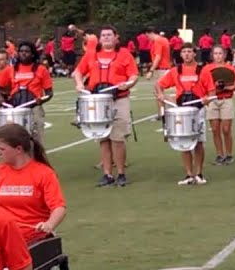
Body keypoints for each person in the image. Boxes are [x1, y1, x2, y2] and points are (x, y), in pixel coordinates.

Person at [73, 25, 139, 187]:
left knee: (118, 138)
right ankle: (107, 174)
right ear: (99, 38)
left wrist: (128, 84)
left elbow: (133, 75)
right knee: (103, 138)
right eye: (103, 35)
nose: (106, 37)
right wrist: (79, 83)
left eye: (109, 35)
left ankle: (121, 173)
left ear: (116, 37)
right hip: (97, 100)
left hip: (118, 99)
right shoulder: (91, 54)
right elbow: (79, 71)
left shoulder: (124, 54)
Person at [155, 44, 210, 185]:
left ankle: (199, 173)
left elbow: (212, 91)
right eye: (184, 52)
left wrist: (207, 98)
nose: (187, 54)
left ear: (194, 54)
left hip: (198, 110)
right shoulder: (175, 71)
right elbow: (159, 84)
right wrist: (161, 94)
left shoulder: (203, 70)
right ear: (180, 55)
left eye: (189, 51)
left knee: (199, 142)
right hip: (182, 111)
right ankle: (189, 174)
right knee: (184, 142)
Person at [9, 41, 54, 143]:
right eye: (21, 51)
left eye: (27, 51)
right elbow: (3, 88)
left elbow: (49, 93)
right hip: (16, 108)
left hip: (34, 107)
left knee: (37, 138)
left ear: (33, 54)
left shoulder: (41, 69)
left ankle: (38, 151)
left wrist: (41, 101)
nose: (23, 53)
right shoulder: (11, 70)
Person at [199, 46, 235, 165]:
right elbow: (202, 84)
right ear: (212, 55)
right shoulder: (206, 69)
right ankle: (220, 154)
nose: (218, 56)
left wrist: (226, 87)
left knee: (226, 129)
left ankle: (229, 154)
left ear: (224, 55)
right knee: (215, 129)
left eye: (220, 53)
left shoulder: (230, 68)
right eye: (215, 53)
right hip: (212, 100)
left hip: (226, 99)